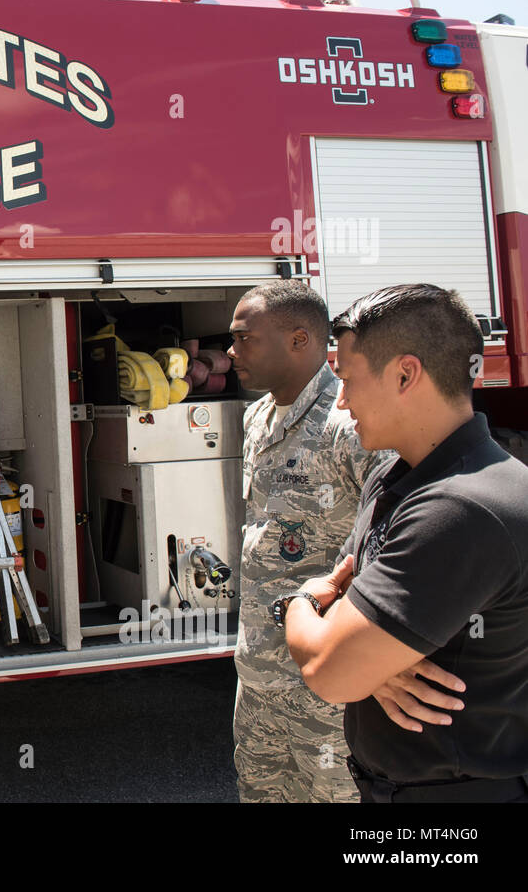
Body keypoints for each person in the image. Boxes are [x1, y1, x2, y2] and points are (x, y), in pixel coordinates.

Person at [282, 284, 528, 802]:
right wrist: (374, 663)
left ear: (405, 374)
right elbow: (353, 602)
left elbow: (330, 668)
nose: (341, 400)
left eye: (347, 379)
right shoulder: (400, 476)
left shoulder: (460, 507)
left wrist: (299, 603)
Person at [226, 280, 386, 802]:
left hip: (328, 691)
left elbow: (394, 547)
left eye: (244, 338)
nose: (231, 351)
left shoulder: (350, 425)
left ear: (299, 340)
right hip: (259, 679)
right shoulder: (256, 418)